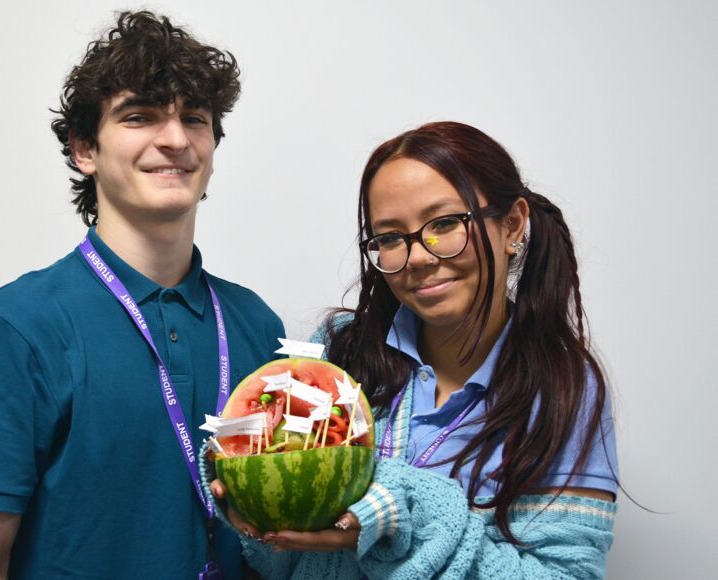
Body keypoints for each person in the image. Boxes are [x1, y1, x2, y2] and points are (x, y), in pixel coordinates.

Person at [0, 11, 284, 580]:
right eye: (140, 116)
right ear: (84, 149)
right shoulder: (18, 325)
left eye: (194, 118)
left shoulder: (253, 321)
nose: (174, 139)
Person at [207, 121, 619, 579]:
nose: (419, 256)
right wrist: (254, 509)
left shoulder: (562, 390)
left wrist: (403, 514)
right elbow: (279, 563)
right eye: (390, 238)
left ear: (512, 225)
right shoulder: (337, 350)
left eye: (445, 224)